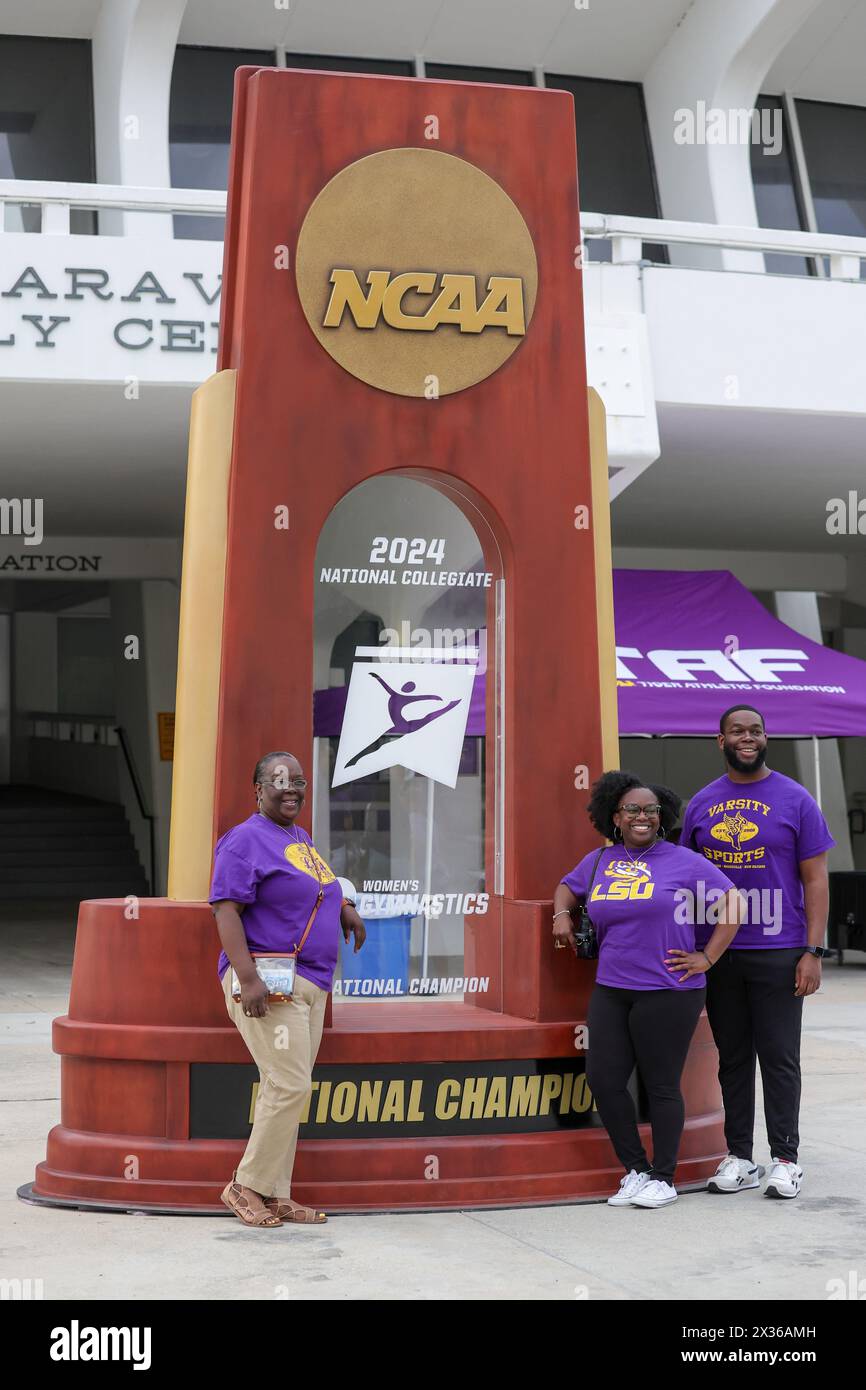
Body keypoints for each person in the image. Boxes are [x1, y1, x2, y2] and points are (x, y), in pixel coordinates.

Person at [554, 772, 742, 1209]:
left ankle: (664, 1177)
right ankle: (636, 1171)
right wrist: (560, 915)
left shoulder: (682, 860)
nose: (642, 816)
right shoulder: (600, 861)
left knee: (660, 1085)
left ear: (662, 817)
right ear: (615, 818)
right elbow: (568, 886)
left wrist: (707, 957)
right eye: (632, 810)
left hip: (669, 989)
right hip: (612, 989)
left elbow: (733, 901)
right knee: (603, 1080)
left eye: (651, 810)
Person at [681, 706, 834, 1200]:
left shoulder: (796, 799)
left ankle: (785, 1159)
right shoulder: (702, 804)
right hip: (720, 952)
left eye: (756, 731)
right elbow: (686, 883)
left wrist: (813, 949)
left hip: (780, 948)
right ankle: (740, 1157)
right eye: (737, 731)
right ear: (719, 740)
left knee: (779, 1057)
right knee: (732, 1058)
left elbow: (815, 879)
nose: (748, 738)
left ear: (765, 738)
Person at [211, 751, 366, 1227]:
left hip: (311, 984)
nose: (291, 788)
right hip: (270, 984)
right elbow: (225, 911)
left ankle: (276, 1193)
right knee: (290, 1083)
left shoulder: (297, 837)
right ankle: (244, 1186)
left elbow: (317, 889)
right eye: (279, 781)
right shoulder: (244, 841)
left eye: (297, 780)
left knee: (289, 1089)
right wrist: (249, 979)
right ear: (257, 789)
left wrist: (345, 909)